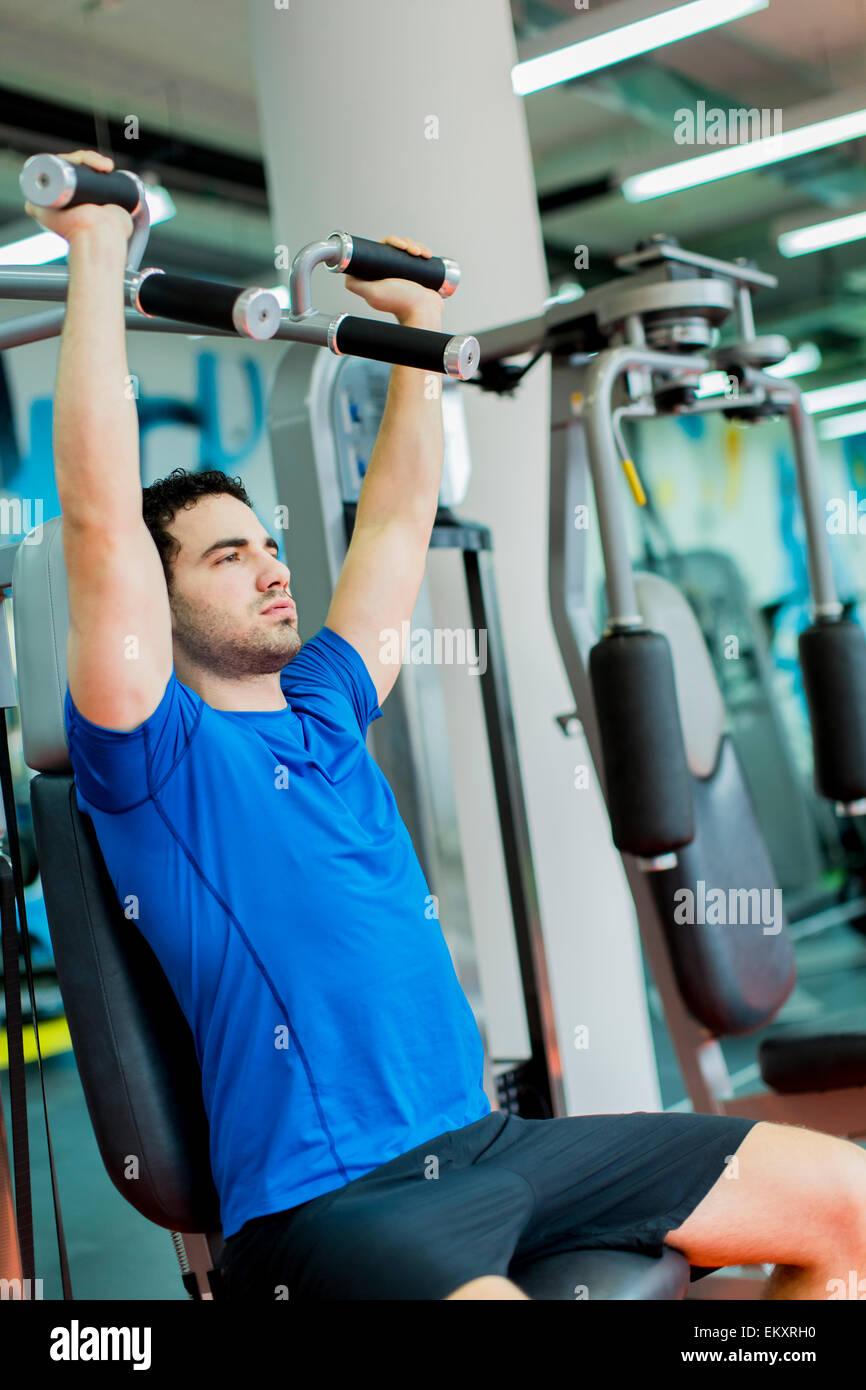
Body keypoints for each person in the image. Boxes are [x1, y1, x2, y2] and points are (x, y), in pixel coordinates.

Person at [30, 150, 866, 1302]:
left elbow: (393, 523)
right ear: (157, 611)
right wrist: (97, 252)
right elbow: (96, 524)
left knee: (845, 1208)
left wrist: (419, 340)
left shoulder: (324, 706)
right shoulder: (153, 757)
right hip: (333, 1204)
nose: (273, 571)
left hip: (492, 1143)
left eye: (268, 546)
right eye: (230, 557)